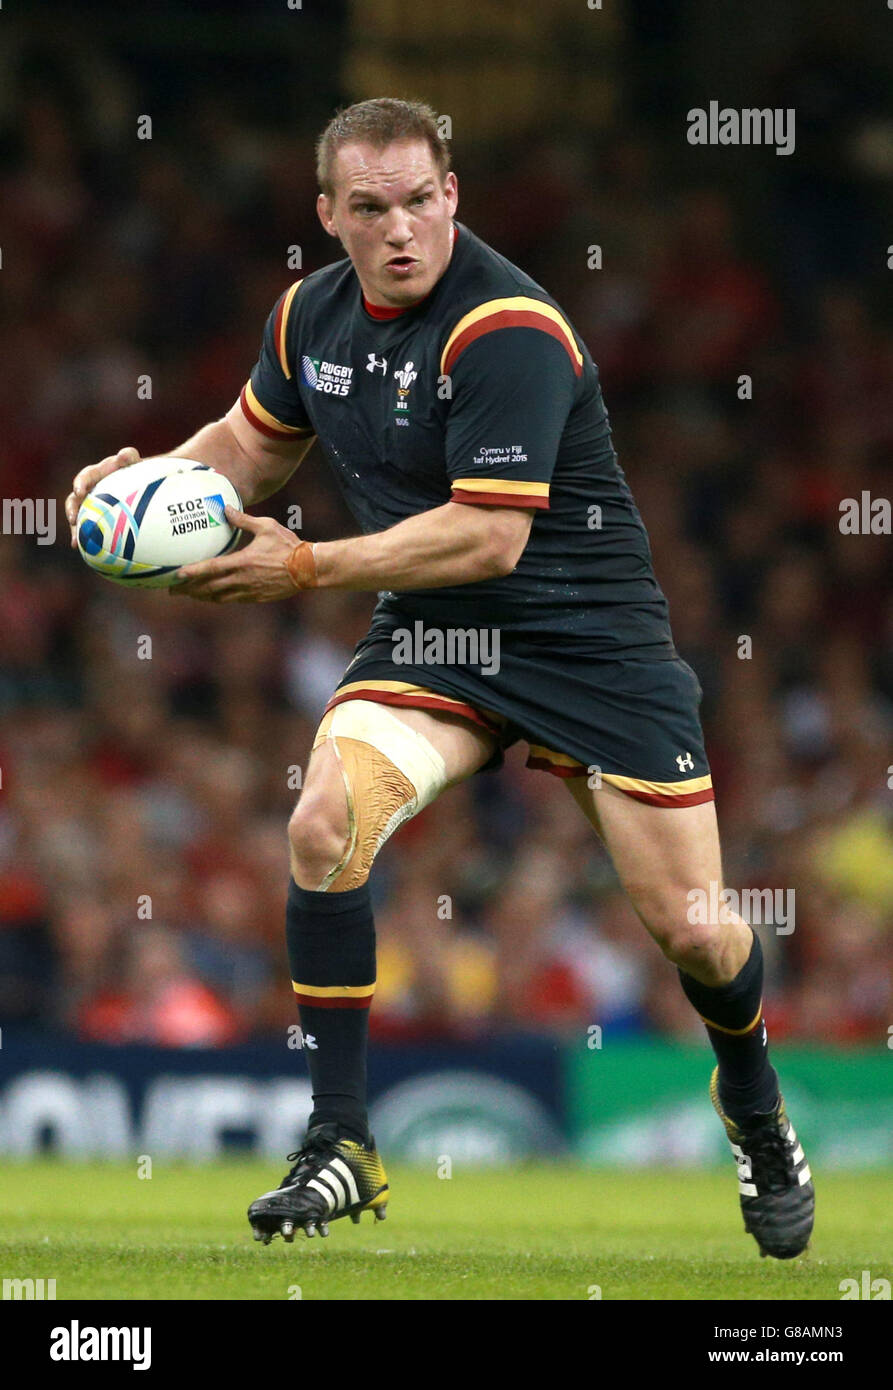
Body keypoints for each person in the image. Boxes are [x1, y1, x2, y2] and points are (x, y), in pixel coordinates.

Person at [66, 98, 813, 1257]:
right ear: (329, 216)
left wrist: (305, 563)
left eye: (420, 200)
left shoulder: (505, 326)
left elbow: (488, 539)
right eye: (369, 208)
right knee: (320, 823)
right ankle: (340, 1141)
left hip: (587, 646)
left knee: (698, 933)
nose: (400, 228)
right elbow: (243, 449)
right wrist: (135, 494)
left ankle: (756, 1112)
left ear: (451, 195)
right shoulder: (307, 317)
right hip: (434, 640)